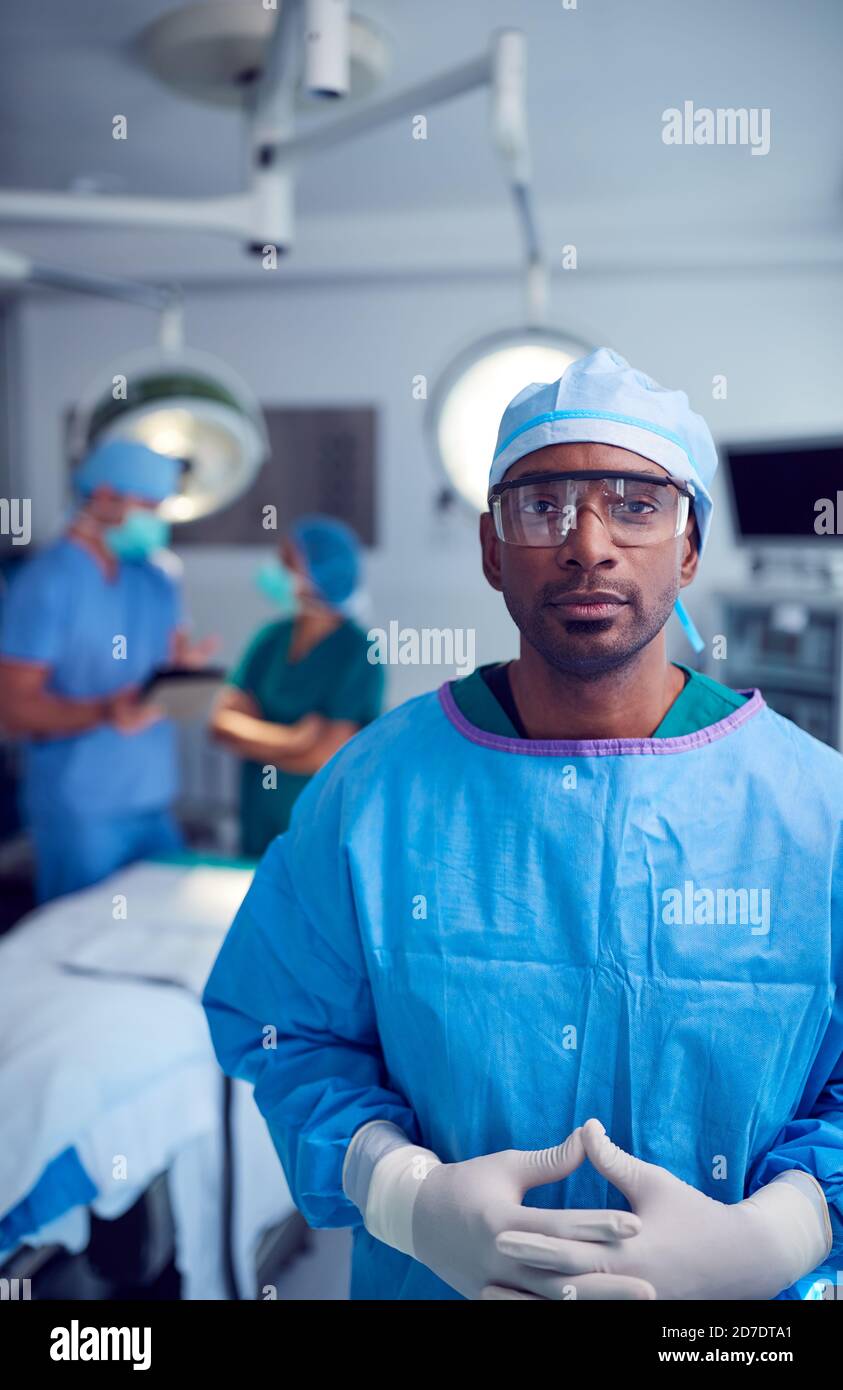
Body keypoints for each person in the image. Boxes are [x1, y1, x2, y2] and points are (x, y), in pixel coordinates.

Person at [202, 349, 842, 1301]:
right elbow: (283, 1033)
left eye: (635, 503)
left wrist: (781, 1233)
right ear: (492, 548)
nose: (588, 542)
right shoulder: (371, 793)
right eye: (543, 505)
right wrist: (403, 1194)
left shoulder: (814, 809)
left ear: (691, 546)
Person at [0, 439, 217, 902]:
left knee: (160, 930)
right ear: (102, 496)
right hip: (82, 807)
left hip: (154, 800)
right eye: (148, 505)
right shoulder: (47, 583)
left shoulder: (155, 578)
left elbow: (165, 658)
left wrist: (181, 674)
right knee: (82, 947)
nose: (156, 520)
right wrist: (104, 713)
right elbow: (13, 709)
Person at [209, 516, 384, 857]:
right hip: (257, 819)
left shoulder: (357, 652)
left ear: (319, 575)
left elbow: (324, 755)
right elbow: (219, 725)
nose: (276, 569)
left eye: (287, 561)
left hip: (318, 825)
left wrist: (252, 735)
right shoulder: (271, 639)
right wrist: (293, 739)